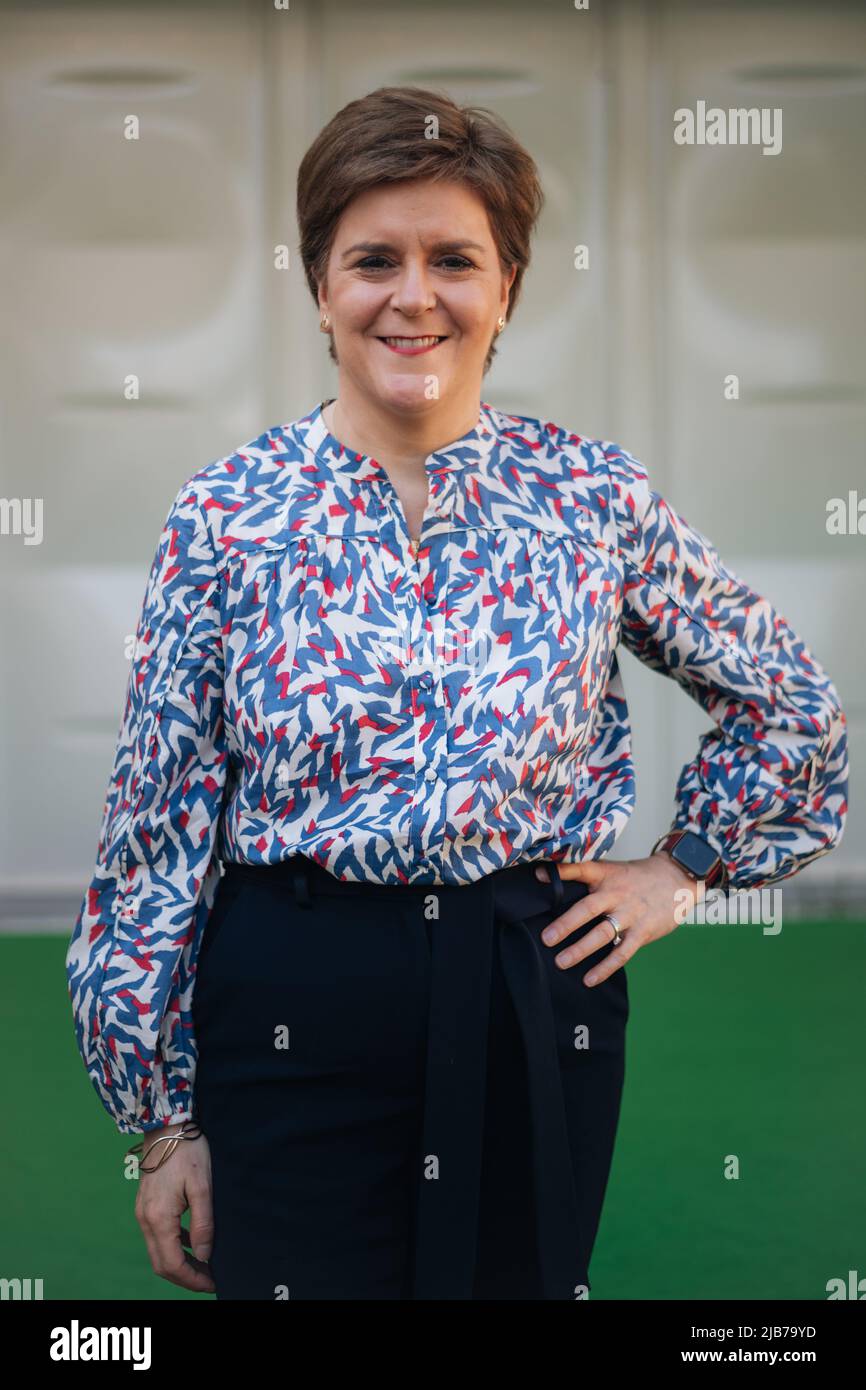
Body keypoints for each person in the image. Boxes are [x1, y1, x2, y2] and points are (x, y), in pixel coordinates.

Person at [65, 85, 849, 1301]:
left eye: (454, 260)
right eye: (372, 258)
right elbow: (156, 832)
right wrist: (161, 1117)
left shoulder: (591, 497)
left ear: (509, 286)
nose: (413, 295)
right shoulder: (227, 513)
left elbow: (789, 701)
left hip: (531, 990)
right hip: (293, 998)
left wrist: (680, 868)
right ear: (320, 288)